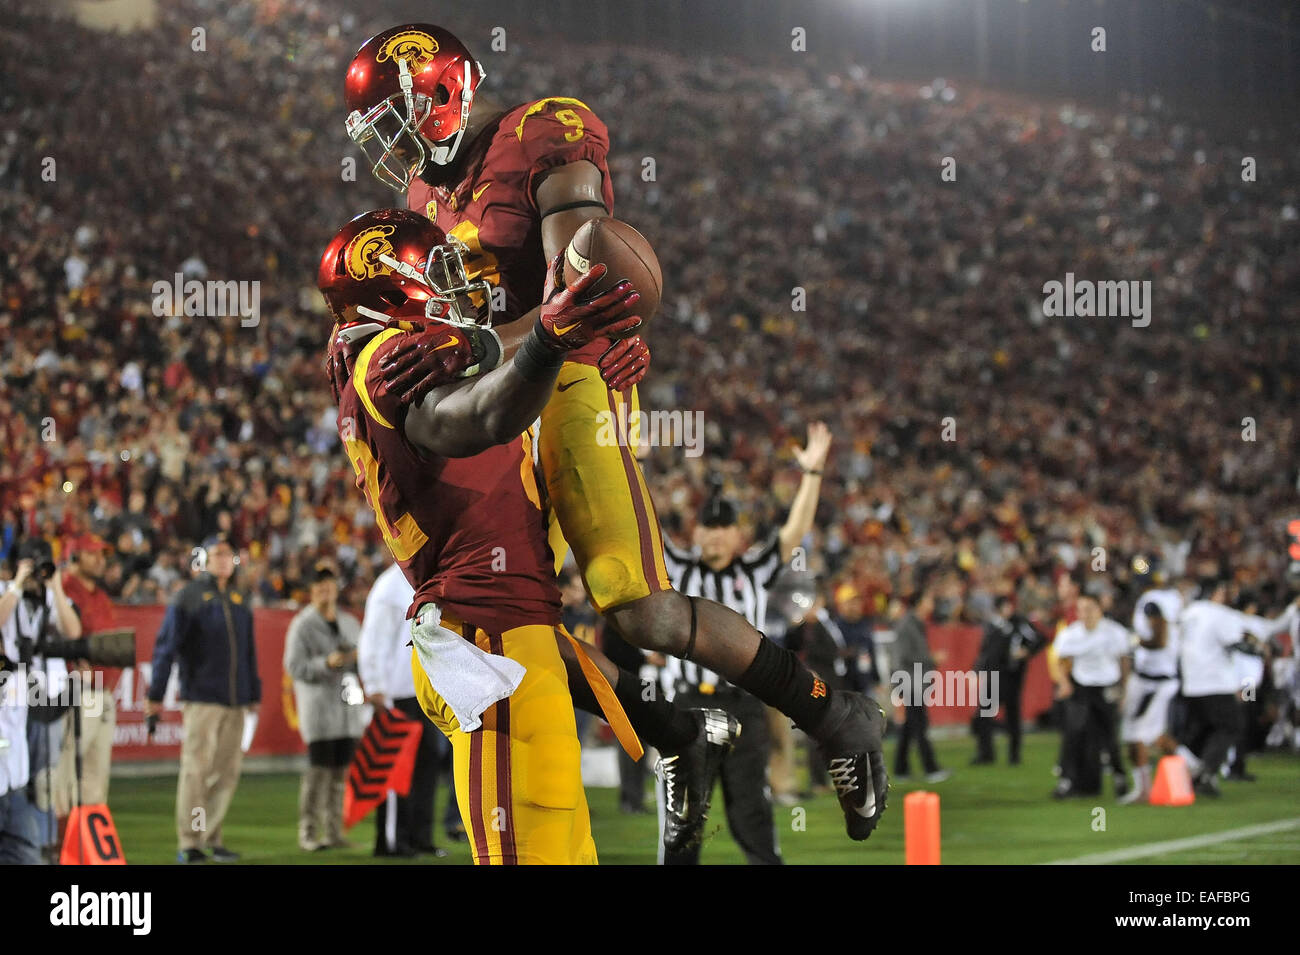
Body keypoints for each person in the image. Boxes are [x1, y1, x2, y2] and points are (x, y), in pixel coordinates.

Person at [348, 23, 888, 845]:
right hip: (495, 387)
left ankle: (834, 714)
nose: (395, 150)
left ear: (444, 91)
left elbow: (580, 289)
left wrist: (484, 343)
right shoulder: (422, 202)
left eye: (397, 121)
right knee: (501, 604)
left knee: (636, 606)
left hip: (566, 378)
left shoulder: (546, 133)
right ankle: (676, 733)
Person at [145, 534, 260, 863]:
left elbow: (249, 652)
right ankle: (191, 840)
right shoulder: (189, 597)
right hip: (203, 698)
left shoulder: (239, 598)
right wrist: (155, 695)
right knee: (197, 771)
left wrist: (253, 692)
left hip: (236, 699)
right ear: (203, 560)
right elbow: (166, 648)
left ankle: (213, 836)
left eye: (229, 554)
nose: (225, 559)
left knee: (226, 771)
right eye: (218, 554)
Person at [357, 562, 456, 857]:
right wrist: (374, 684)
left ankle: (419, 837)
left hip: (424, 691)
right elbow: (373, 639)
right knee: (394, 771)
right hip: (395, 692)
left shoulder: (429, 580)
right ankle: (390, 841)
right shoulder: (389, 586)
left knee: (426, 768)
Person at [1176, 582, 1297, 797]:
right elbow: (1249, 642)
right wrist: (1259, 650)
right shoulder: (1234, 620)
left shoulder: (1191, 613)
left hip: (1194, 682)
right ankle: (1227, 768)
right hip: (1238, 683)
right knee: (1238, 722)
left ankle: (1213, 767)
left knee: (1211, 727)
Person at [0, 543, 76, 864]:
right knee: (20, 773)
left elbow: (73, 631)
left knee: (44, 775)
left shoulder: (51, 596)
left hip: (43, 693)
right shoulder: (6, 591)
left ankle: (42, 842)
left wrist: (55, 584)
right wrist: (17, 583)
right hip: (13, 689)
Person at [283, 562, 366, 851]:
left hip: (346, 709)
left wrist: (353, 657)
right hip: (318, 709)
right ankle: (308, 833)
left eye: (329, 585)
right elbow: (293, 666)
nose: (324, 590)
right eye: (319, 586)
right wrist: (325, 663)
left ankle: (333, 833)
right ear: (311, 592)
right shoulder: (302, 625)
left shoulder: (348, 622)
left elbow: (361, 658)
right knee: (318, 774)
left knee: (340, 774)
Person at [52, 534, 120, 827]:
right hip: (78, 694)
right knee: (67, 773)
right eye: (93, 554)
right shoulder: (63, 591)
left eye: (103, 555)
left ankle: (86, 850)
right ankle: (60, 848)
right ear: (74, 556)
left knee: (95, 776)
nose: (101, 560)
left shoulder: (101, 597)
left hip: (102, 695)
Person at [1118, 578, 1193, 803]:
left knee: (1135, 733)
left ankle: (1144, 789)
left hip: (1153, 680)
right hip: (1162, 676)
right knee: (1154, 735)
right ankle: (1193, 769)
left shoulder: (1152, 601)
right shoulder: (1172, 599)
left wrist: (1133, 641)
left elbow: (1160, 640)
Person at [1052, 593, 1131, 799]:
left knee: (1110, 735)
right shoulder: (1071, 634)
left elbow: (1124, 661)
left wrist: (1124, 689)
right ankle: (1068, 780)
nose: (1084, 614)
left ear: (1099, 609)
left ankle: (1119, 776)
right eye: (1081, 609)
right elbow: (1060, 660)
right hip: (1082, 687)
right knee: (1074, 734)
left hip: (1107, 687)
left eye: (1089, 608)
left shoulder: (1114, 632)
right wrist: (1065, 683)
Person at [971, 594, 1046, 765]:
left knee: (1012, 717)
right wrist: (977, 672)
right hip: (993, 676)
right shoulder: (993, 626)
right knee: (983, 716)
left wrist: (1026, 652)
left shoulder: (1020, 623)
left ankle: (1014, 755)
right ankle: (986, 754)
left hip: (1012, 677)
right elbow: (985, 653)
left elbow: (1039, 638)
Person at [889, 590, 951, 783]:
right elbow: (904, 656)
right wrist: (931, 658)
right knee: (919, 725)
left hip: (914, 680)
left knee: (909, 727)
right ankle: (930, 768)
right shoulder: (907, 625)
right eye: (928, 599)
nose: (931, 603)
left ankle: (900, 769)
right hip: (909, 681)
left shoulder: (914, 623)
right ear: (919, 603)